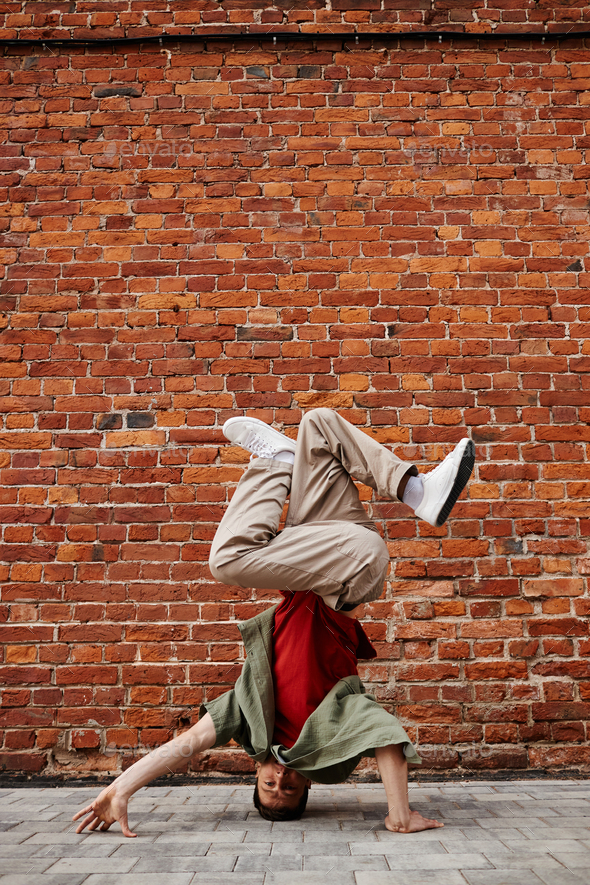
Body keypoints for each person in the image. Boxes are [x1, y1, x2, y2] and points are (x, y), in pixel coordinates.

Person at [73, 408, 475, 837]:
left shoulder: (249, 716)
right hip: (352, 568)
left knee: (318, 426)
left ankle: (416, 490)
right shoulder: (330, 731)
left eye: (269, 785)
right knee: (227, 560)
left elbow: (187, 744)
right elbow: (386, 738)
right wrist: (399, 815)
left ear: (257, 772)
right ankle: (274, 465)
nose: (281, 779)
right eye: (289, 787)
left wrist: (121, 789)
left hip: (324, 543)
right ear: (307, 783)